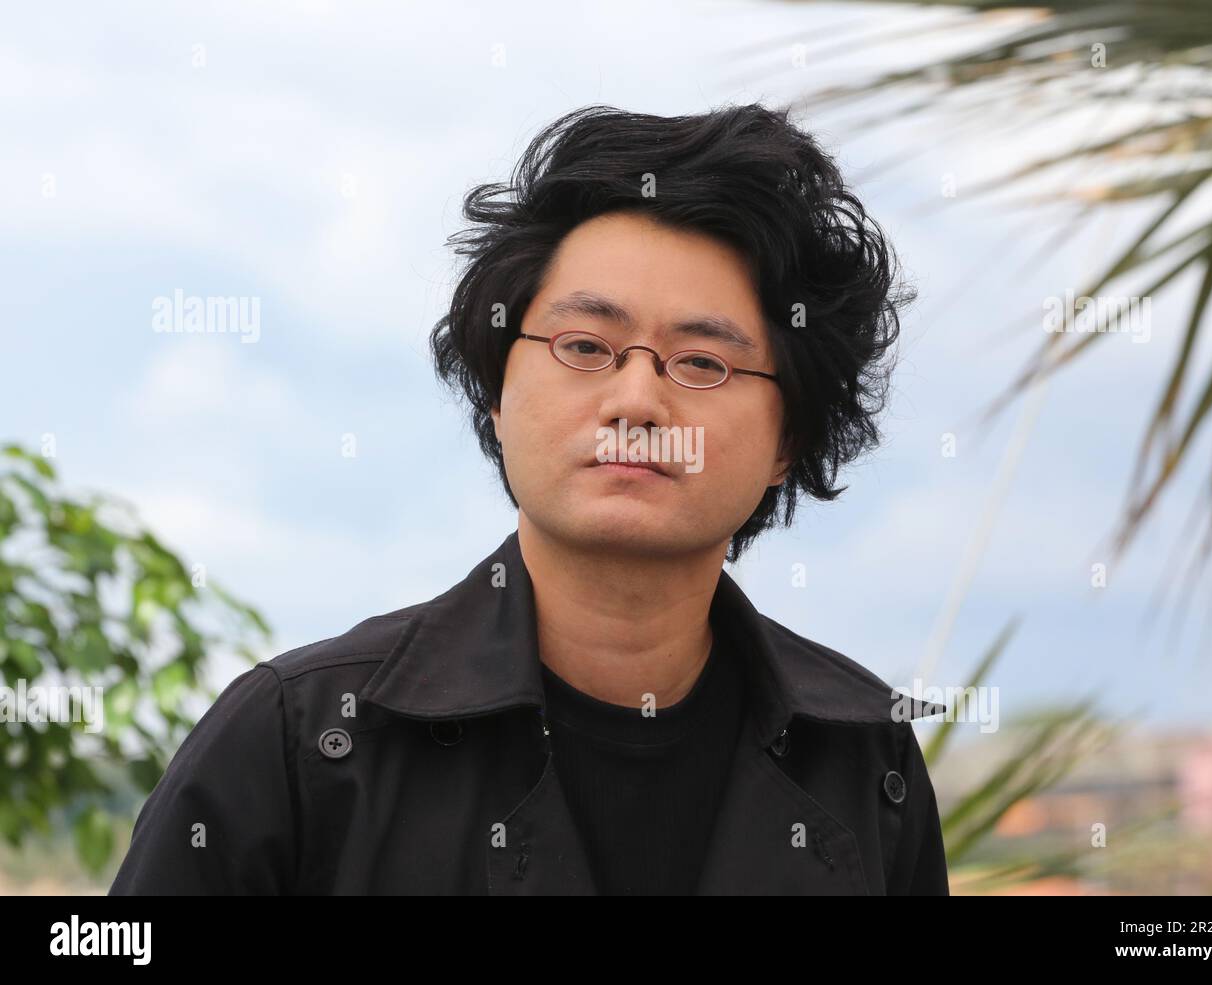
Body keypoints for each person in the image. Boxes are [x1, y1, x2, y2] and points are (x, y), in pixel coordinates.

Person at [110, 102, 949, 895]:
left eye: (702, 362)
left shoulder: (863, 756)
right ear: (498, 398)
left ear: (787, 441)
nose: (637, 401)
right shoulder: (297, 740)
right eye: (586, 345)